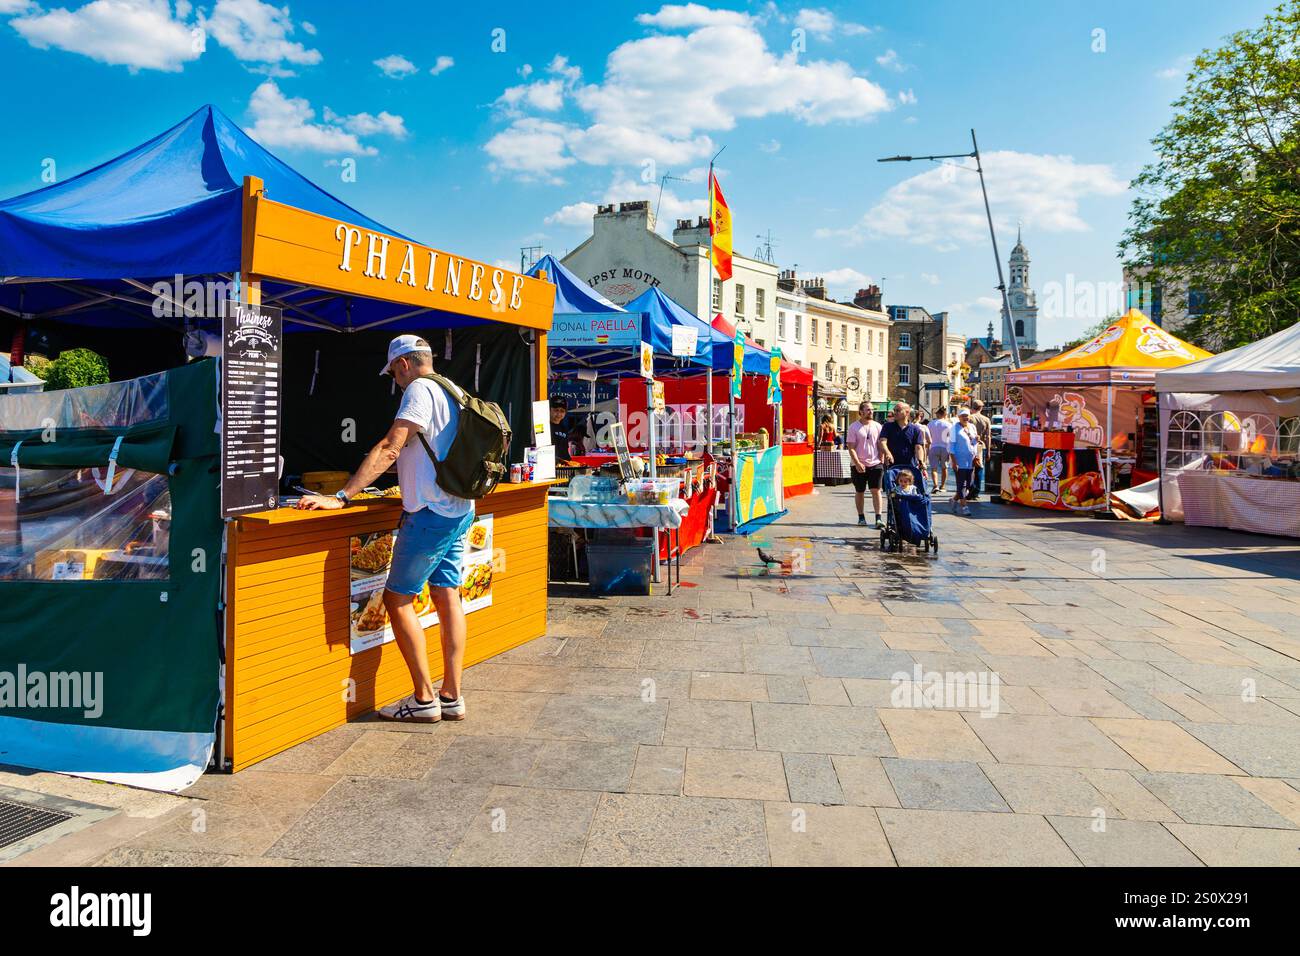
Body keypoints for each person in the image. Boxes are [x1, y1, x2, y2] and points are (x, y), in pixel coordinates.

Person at [298, 334, 474, 723]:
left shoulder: (419, 390)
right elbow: (427, 451)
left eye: (394, 371)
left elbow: (391, 446)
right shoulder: (454, 390)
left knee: (397, 600)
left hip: (430, 513)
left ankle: (425, 700)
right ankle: (452, 696)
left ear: (405, 364)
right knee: (448, 596)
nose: (394, 379)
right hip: (460, 509)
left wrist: (342, 495)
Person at [846, 400, 884, 527]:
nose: (871, 412)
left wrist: (882, 458)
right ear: (861, 412)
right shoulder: (853, 427)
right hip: (859, 464)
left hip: (875, 463)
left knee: (876, 490)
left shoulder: (878, 426)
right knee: (860, 491)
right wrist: (857, 463)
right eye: (868, 409)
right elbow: (851, 447)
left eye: (872, 409)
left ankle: (878, 518)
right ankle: (861, 517)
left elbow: (881, 444)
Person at [948, 407, 980, 516]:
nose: (965, 418)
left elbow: (974, 443)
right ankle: (964, 506)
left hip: (969, 460)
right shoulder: (954, 428)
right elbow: (951, 445)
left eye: (967, 416)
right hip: (959, 460)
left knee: (968, 484)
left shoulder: (972, 427)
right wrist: (954, 461)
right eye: (963, 416)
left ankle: (953, 499)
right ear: (959, 417)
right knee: (961, 484)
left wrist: (977, 441)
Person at [879, 402, 926, 470]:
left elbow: (918, 447)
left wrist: (921, 461)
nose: (895, 413)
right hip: (891, 466)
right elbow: (882, 442)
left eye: (898, 410)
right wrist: (887, 453)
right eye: (894, 410)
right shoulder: (887, 426)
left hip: (909, 467)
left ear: (907, 412)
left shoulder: (915, 429)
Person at [969, 399, 992, 500]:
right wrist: (988, 451)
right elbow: (988, 436)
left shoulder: (969, 418)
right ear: (981, 408)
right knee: (979, 467)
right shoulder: (986, 419)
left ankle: (970, 489)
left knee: (969, 468)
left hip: (969, 445)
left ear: (972, 407)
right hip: (981, 446)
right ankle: (976, 491)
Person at [926, 406, 951, 494]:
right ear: (945, 414)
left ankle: (935, 485)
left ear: (937, 414)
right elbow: (952, 438)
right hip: (945, 446)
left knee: (934, 468)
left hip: (933, 446)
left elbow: (927, 437)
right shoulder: (948, 424)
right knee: (944, 467)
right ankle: (943, 486)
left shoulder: (930, 424)